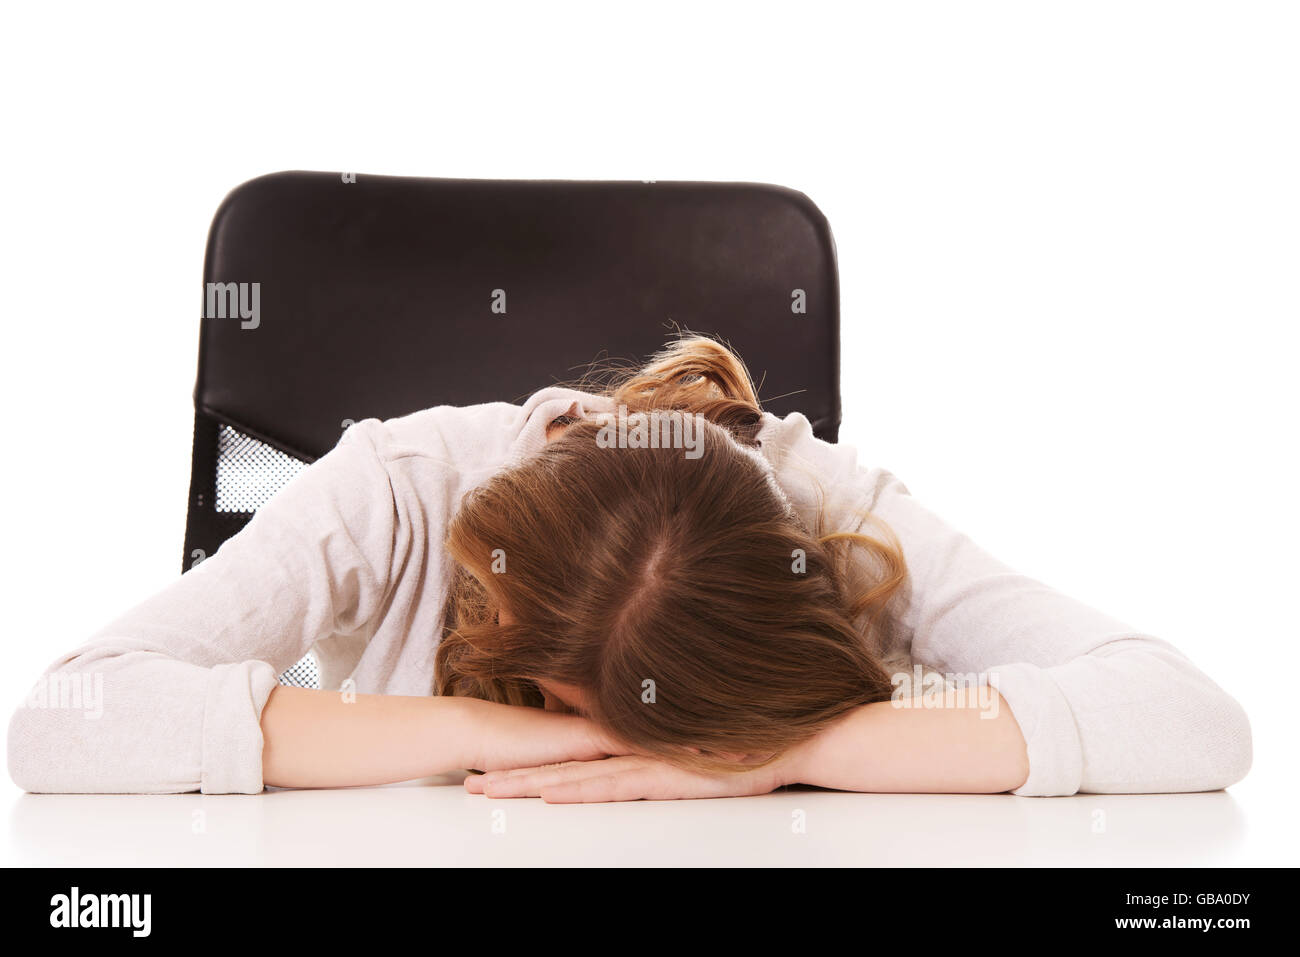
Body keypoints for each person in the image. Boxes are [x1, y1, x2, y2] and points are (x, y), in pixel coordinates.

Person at [6, 337, 1251, 801]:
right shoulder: (394, 489)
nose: (618, 753)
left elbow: (1190, 721)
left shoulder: (822, 509)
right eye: (567, 706)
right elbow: (62, 724)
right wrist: (485, 734)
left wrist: (781, 751)